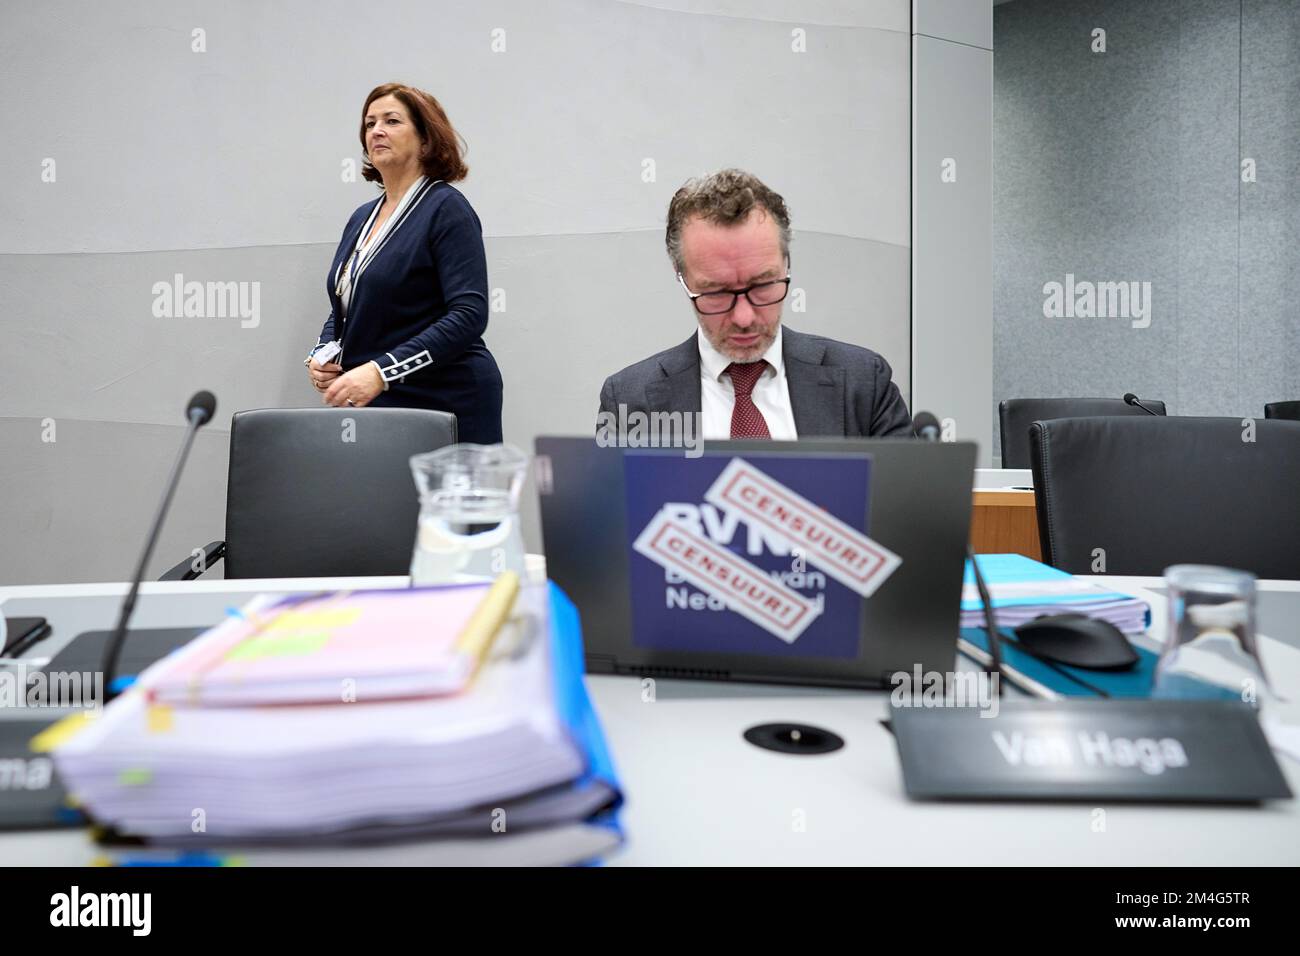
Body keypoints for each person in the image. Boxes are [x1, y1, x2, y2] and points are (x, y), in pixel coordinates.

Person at [598, 168, 912, 440]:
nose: (744, 318)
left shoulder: (864, 384)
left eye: (762, 285)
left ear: (786, 263)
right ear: (681, 277)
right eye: (717, 292)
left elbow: (907, 494)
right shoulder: (630, 402)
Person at [306, 82, 503, 444]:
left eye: (392, 121)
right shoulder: (361, 218)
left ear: (426, 140)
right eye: (370, 124)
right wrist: (323, 352)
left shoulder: (446, 208)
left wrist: (381, 372)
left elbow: (469, 315)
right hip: (377, 401)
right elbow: (346, 305)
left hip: (445, 398)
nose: (376, 131)